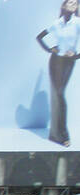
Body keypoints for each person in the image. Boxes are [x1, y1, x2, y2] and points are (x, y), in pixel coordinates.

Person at [37, 0, 80, 146]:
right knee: (56, 95)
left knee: (60, 94)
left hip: (68, 61)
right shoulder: (57, 23)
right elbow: (39, 37)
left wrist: (76, 55)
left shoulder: (78, 22)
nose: (74, 5)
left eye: (76, 3)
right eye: (71, 2)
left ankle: (63, 135)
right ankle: (56, 135)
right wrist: (50, 49)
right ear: (64, 5)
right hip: (55, 61)